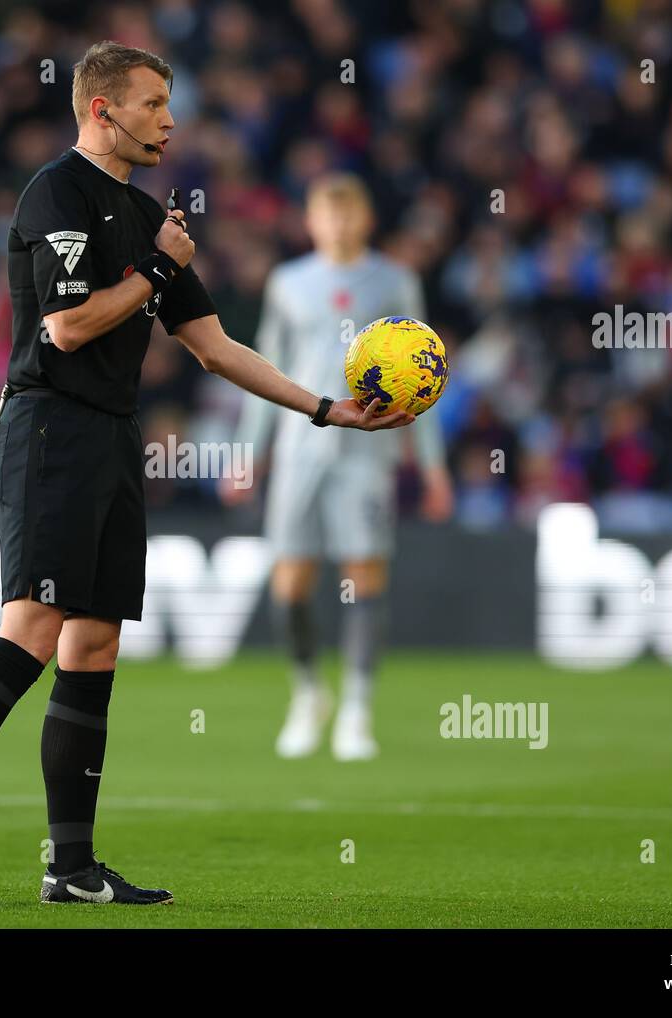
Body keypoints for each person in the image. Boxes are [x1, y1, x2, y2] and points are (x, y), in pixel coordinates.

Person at [0, 41, 416, 907]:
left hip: (113, 439)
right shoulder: (58, 192)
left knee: (94, 643)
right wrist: (159, 264)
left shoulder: (144, 211)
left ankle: (72, 866)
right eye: (155, 103)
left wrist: (327, 408)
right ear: (102, 110)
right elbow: (67, 328)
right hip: (49, 428)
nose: (170, 119)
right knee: (32, 630)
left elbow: (214, 346)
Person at [227, 174, 453, 761]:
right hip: (302, 443)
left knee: (363, 577)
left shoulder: (395, 280)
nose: (340, 224)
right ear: (311, 221)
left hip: (368, 448)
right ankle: (308, 694)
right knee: (290, 584)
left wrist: (431, 467)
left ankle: (357, 707)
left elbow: (422, 383)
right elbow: (262, 369)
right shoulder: (288, 283)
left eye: (349, 214)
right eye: (329, 215)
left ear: (367, 219)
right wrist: (246, 453)